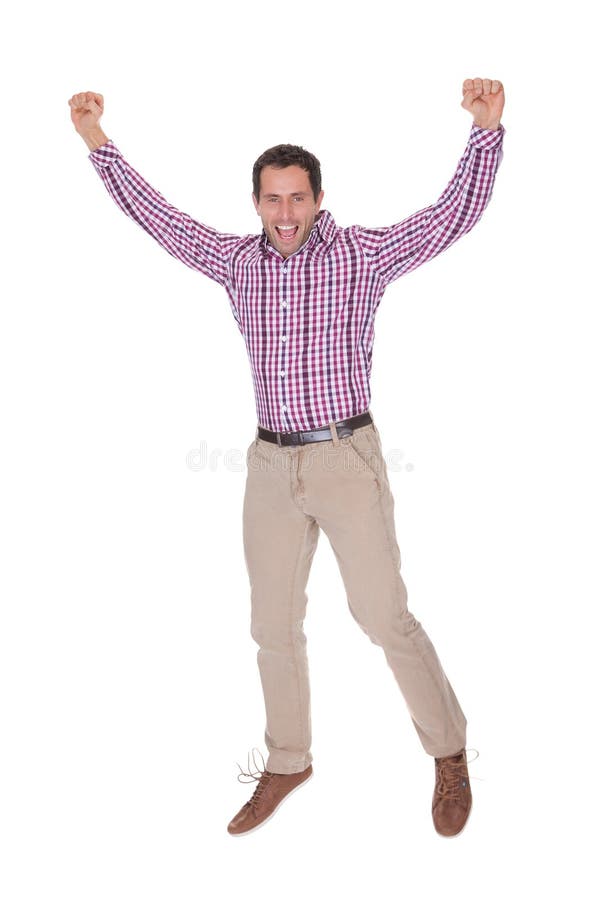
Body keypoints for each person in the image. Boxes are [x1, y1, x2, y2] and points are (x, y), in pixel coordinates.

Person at [68, 78, 505, 838]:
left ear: (319, 197)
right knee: (271, 624)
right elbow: (162, 221)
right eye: (272, 200)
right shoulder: (239, 263)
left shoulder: (361, 255)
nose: (286, 214)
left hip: (344, 456)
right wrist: (98, 144)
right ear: (257, 205)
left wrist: (486, 134)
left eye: (297, 198)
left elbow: (450, 218)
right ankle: (288, 759)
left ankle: (449, 752)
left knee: (382, 615)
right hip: (270, 466)